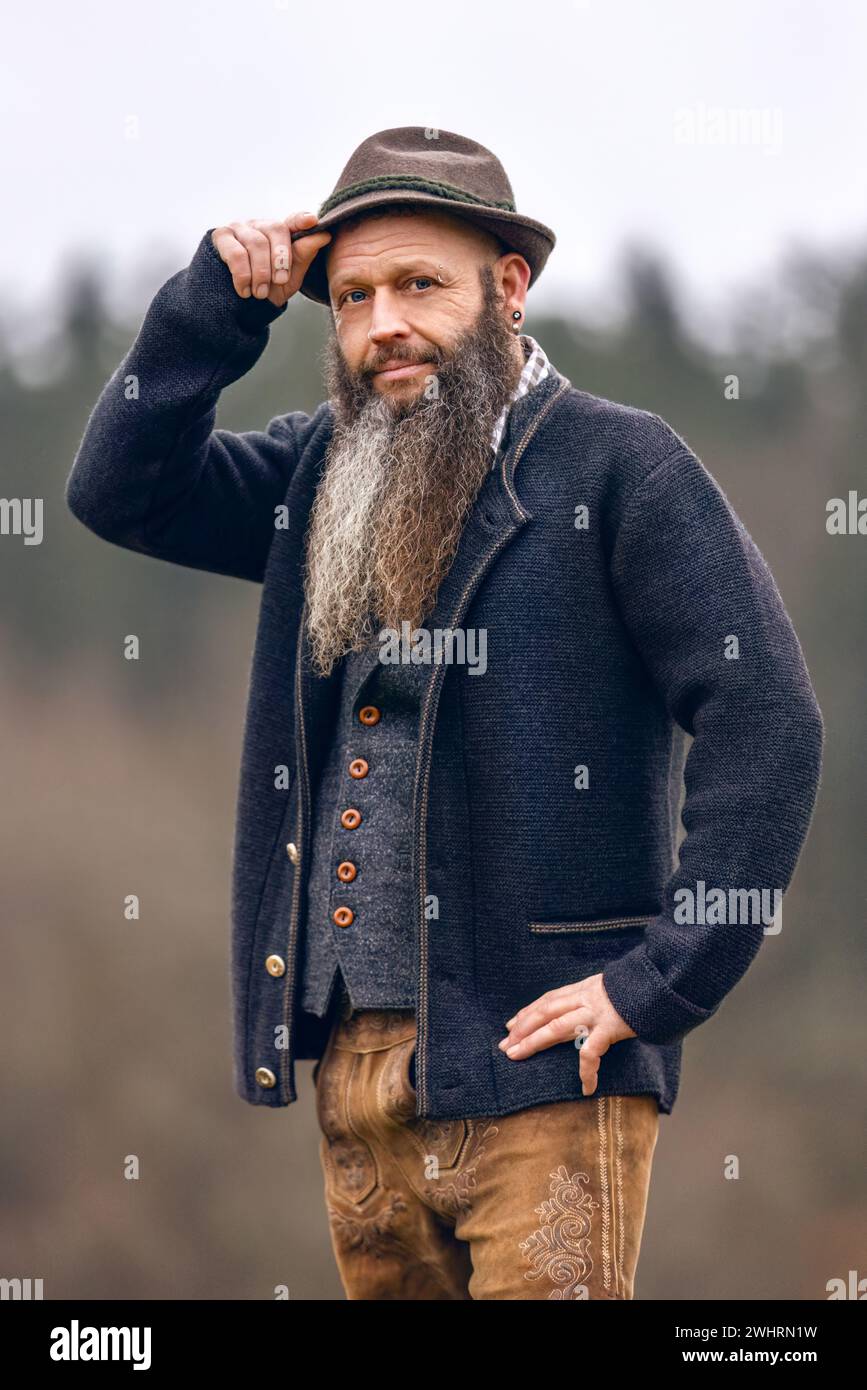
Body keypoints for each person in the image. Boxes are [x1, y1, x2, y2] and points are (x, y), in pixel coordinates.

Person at [65, 126, 823, 1300]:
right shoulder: (320, 471)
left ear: (509, 289)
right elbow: (119, 491)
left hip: (550, 1079)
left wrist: (660, 981)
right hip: (358, 1081)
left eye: (420, 285)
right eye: (354, 297)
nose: (383, 328)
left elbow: (767, 717)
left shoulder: (624, 467)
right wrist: (209, 306)